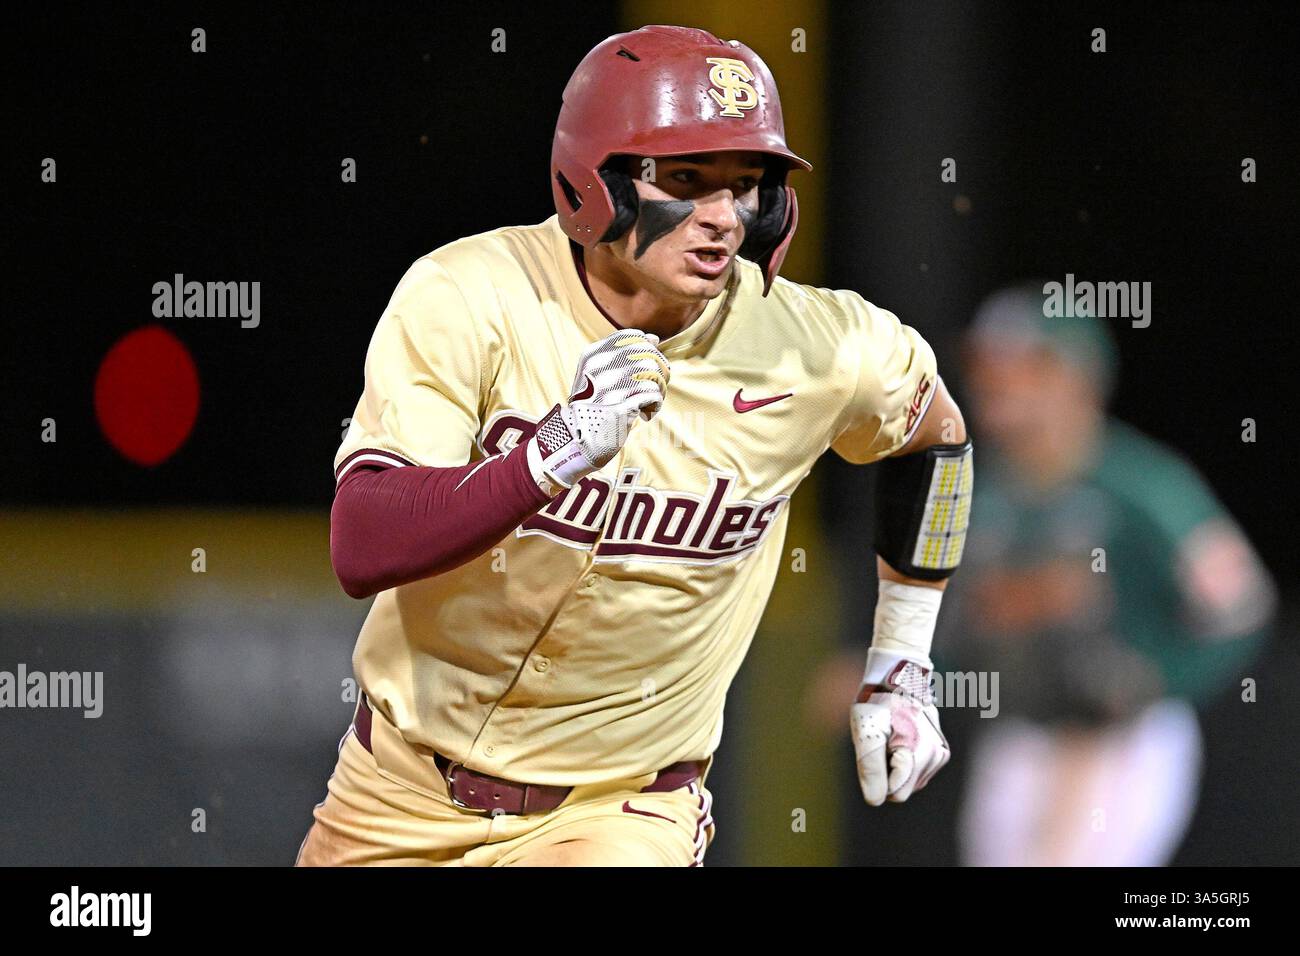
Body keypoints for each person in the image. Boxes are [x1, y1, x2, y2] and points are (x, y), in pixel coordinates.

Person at [295, 24, 972, 867]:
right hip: (396, 790)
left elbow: (937, 439)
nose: (724, 218)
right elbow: (363, 542)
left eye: (748, 184)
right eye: (686, 180)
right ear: (596, 185)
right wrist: (542, 460)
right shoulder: (472, 295)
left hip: (621, 809)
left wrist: (902, 658)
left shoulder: (822, 347)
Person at [943, 284, 1274, 866]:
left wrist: (1156, 678)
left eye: (1023, 365)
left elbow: (1241, 608)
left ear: (1075, 376)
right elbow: (957, 629)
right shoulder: (975, 493)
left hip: (1121, 741)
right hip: (1018, 739)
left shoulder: (1140, 486)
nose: (996, 380)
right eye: (988, 363)